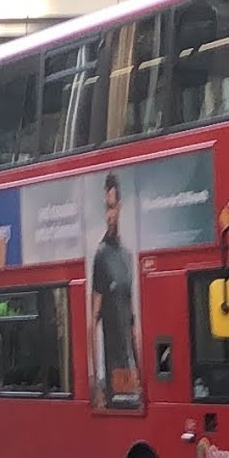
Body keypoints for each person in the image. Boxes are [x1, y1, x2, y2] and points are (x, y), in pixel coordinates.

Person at [90, 173, 142, 408]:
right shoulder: (101, 255)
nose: (109, 214)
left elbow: (132, 321)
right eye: (105, 208)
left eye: (112, 207)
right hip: (111, 376)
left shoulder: (128, 257)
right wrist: (94, 384)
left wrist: (142, 373)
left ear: (119, 207)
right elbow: (93, 321)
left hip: (130, 372)